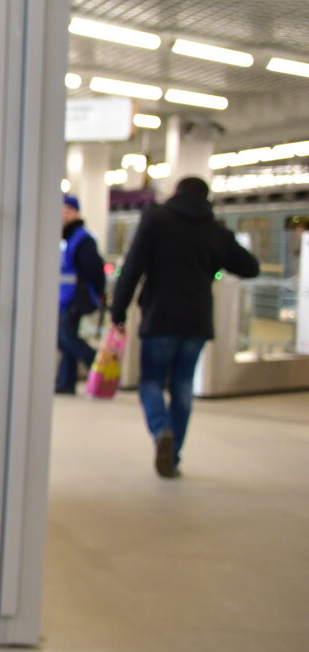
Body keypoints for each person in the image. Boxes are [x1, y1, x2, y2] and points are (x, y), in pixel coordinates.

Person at [110, 175, 259, 477]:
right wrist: (217, 251)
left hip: (160, 316)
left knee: (151, 381)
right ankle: (174, 455)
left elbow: (133, 267)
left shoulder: (155, 220)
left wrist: (118, 310)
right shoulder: (215, 231)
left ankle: (160, 429)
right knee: (183, 387)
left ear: (176, 193)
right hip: (197, 320)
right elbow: (250, 268)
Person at [55, 193, 108, 394]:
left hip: (76, 296)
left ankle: (96, 362)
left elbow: (94, 267)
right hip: (65, 296)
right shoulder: (66, 237)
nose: (63, 214)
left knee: (66, 338)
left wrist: (100, 292)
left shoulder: (82, 238)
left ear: (76, 212)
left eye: (67, 210)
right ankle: (65, 383)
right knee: (67, 338)